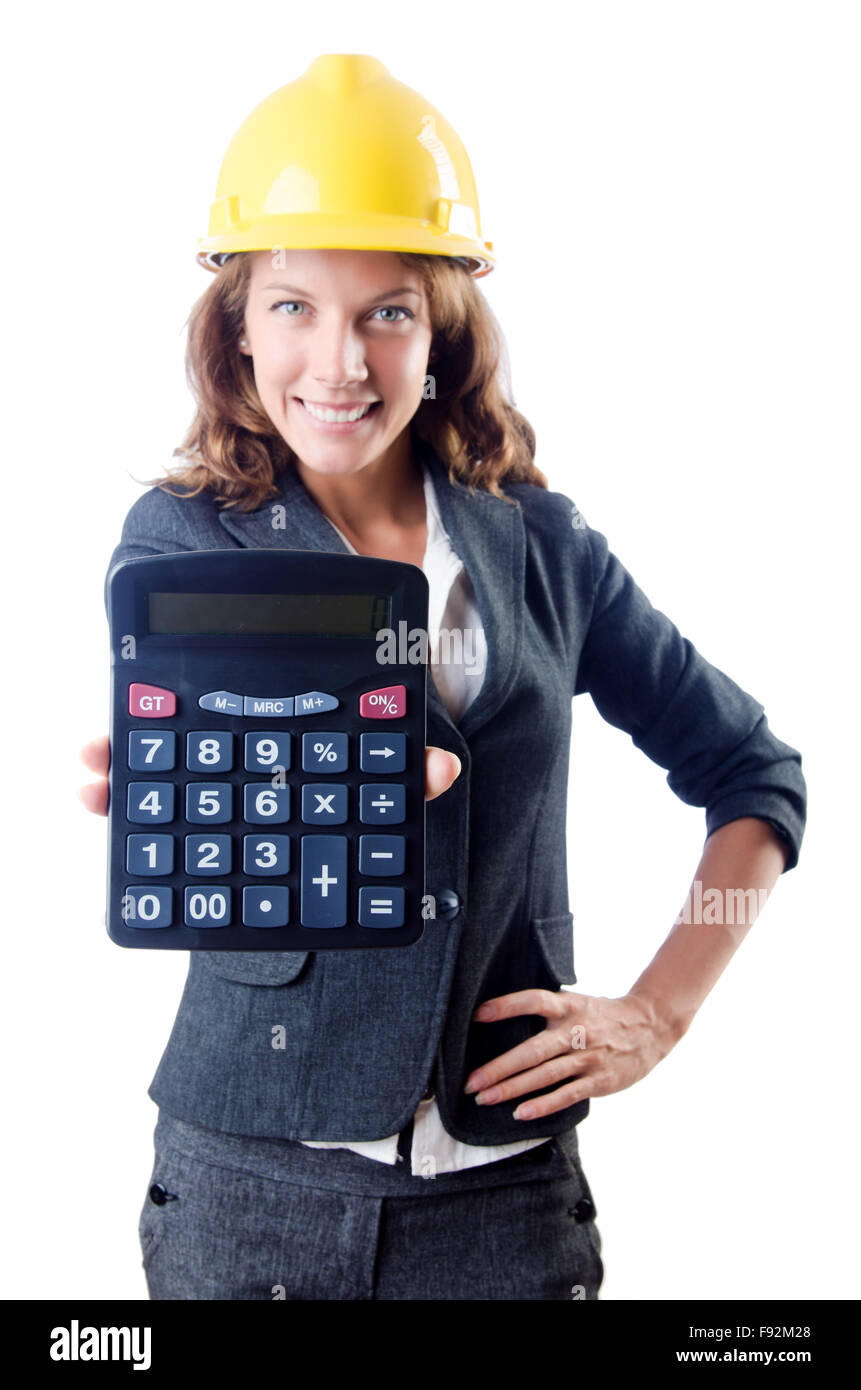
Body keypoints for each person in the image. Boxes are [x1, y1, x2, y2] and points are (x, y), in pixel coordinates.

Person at [78, 54, 807, 1301]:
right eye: (294, 306)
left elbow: (753, 778)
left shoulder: (548, 550)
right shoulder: (185, 540)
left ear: (442, 331)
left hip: (504, 1200)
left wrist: (660, 1012)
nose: (340, 361)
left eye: (388, 311)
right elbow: (240, 723)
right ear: (238, 327)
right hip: (249, 1190)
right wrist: (261, 776)